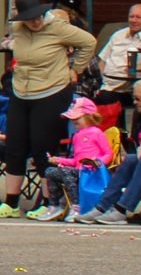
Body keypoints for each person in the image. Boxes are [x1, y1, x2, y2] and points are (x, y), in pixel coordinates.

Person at [0, 0, 99, 219]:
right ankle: (11, 203)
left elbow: (89, 42)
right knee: (15, 146)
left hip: (51, 91)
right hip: (22, 91)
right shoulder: (18, 29)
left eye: (37, 17)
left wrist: (75, 69)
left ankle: (49, 202)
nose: (35, 22)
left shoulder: (57, 27)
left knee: (42, 147)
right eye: (29, 19)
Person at [79, 78, 141, 223]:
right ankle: (102, 206)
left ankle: (122, 209)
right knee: (131, 159)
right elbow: (136, 140)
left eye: (138, 99)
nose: (134, 102)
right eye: (134, 98)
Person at [40, 94, 117, 222]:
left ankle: (76, 205)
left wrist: (97, 163)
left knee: (66, 172)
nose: (74, 121)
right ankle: (55, 205)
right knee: (49, 171)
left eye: (77, 118)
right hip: (78, 170)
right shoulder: (76, 136)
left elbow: (108, 153)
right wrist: (58, 160)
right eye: (72, 118)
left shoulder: (96, 132)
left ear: (89, 116)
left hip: (91, 171)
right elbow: (76, 161)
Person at [91, 3, 141, 105]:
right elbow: (103, 60)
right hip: (111, 87)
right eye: (131, 16)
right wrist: (103, 80)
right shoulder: (118, 35)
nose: (133, 20)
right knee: (101, 100)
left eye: (138, 17)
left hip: (139, 90)